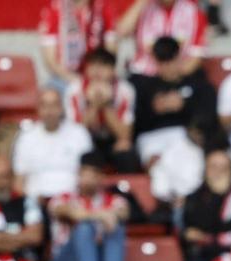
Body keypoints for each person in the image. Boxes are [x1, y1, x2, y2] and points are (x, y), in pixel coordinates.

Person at [130, 37, 217, 179]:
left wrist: (184, 106)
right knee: (159, 168)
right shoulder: (144, 88)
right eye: (161, 62)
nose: (166, 67)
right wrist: (154, 110)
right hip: (152, 139)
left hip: (183, 137)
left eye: (170, 60)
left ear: (179, 57)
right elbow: (134, 126)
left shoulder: (198, 85)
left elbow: (208, 119)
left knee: (188, 162)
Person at [48, 153, 129, 261]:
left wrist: (112, 216)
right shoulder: (63, 198)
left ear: (102, 177)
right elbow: (68, 212)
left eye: (94, 175)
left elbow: (124, 212)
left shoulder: (113, 200)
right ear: (78, 174)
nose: (89, 179)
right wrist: (103, 215)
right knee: (85, 227)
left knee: (116, 227)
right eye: (85, 174)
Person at [64, 48, 138, 173]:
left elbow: (125, 135)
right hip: (86, 140)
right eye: (93, 65)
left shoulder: (125, 91)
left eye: (103, 65)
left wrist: (106, 105)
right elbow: (74, 133)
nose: (97, 71)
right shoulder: (74, 90)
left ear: (113, 70)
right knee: (73, 149)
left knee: (125, 148)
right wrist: (93, 106)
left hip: (112, 140)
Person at [13, 88, 93, 203]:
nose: (49, 111)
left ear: (61, 108)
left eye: (54, 105)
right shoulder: (26, 137)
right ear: (38, 109)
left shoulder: (79, 133)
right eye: (44, 106)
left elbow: (89, 175)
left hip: (72, 201)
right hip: (36, 202)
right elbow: (19, 181)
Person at [119, 0, 208, 77]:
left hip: (178, 77)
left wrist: (171, 74)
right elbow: (122, 31)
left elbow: (196, 58)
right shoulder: (144, 9)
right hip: (144, 75)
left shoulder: (193, 12)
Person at [38, 0, 117, 86]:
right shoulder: (54, 8)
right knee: (49, 97)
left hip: (97, 77)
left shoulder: (103, 6)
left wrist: (98, 78)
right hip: (65, 77)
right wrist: (76, 81)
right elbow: (51, 61)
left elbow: (111, 51)